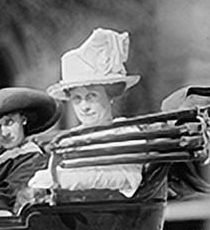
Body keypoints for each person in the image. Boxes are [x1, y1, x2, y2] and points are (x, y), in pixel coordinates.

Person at [27, 28, 144, 197]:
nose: (84, 107)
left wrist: (65, 180)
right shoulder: (71, 138)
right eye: (77, 99)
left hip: (110, 213)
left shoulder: (126, 133)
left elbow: (127, 178)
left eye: (92, 96)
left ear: (109, 97)